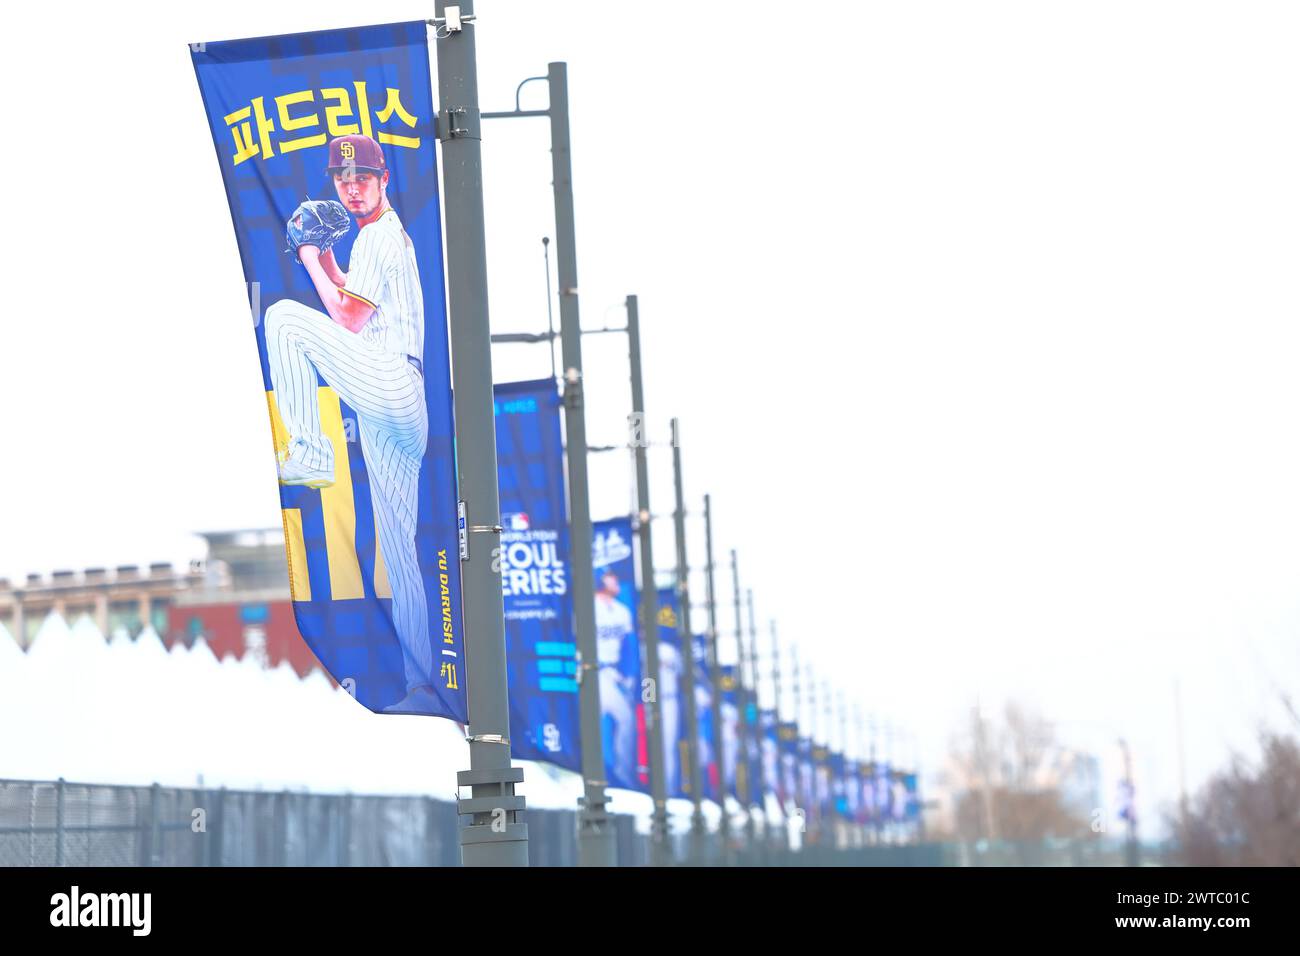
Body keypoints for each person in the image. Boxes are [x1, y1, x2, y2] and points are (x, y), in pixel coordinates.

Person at [265, 133, 435, 714]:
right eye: (342, 179)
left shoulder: (380, 237)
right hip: (398, 403)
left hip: (389, 379)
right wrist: (330, 260)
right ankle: (425, 677)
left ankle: (310, 450)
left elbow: (348, 318)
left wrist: (310, 257)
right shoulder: (376, 239)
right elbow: (357, 300)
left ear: (383, 178)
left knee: (284, 317)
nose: (351, 185)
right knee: (399, 552)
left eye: (361, 176)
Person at [594, 569, 637, 782]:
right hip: (594, 671)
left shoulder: (623, 610)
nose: (615, 579)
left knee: (627, 720)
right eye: (611, 576)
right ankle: (603, 773)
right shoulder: (587, 607)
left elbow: (629, 647)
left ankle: (620, 773)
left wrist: (628, 674)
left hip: (615, 674)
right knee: (598, 723)